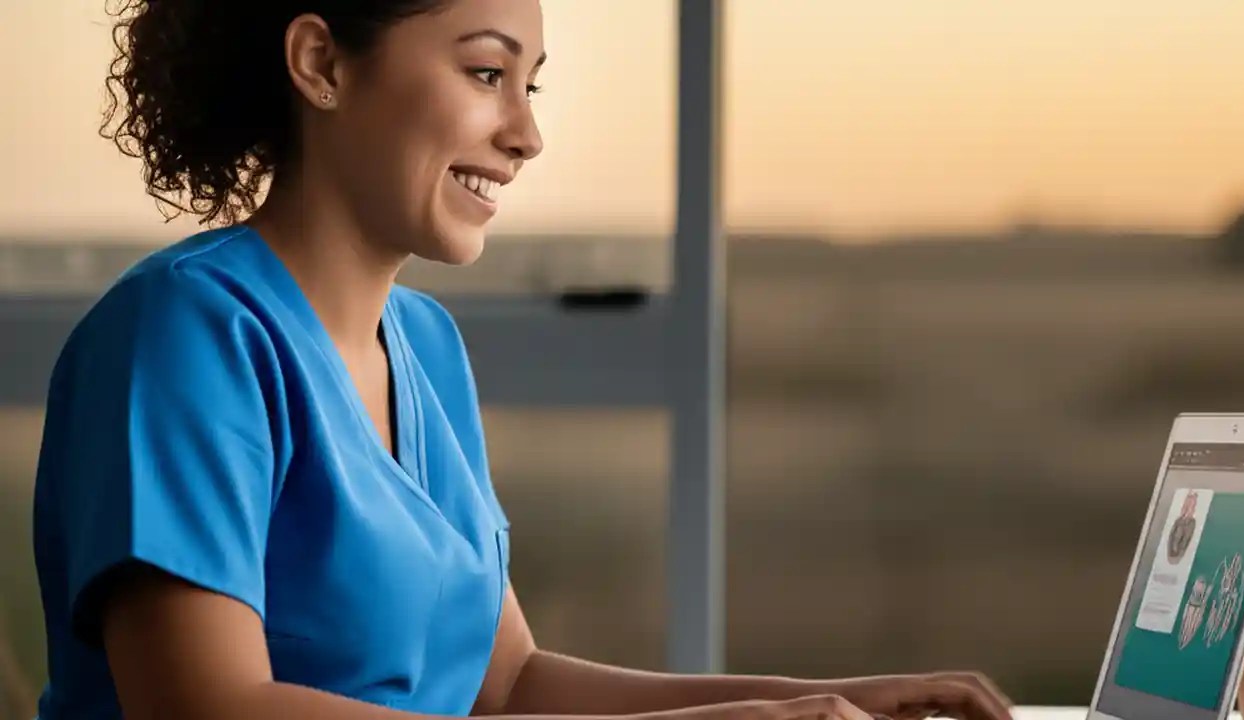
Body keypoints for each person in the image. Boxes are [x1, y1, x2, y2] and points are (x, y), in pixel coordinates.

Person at [30, 2, 1017, 719]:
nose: (526, 134)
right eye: (485, 74)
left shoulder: (425, 347)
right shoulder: (186, 334)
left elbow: (504, 685)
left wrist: (825, 700)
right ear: (320, 62)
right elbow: (204, 709)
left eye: (529, 84)